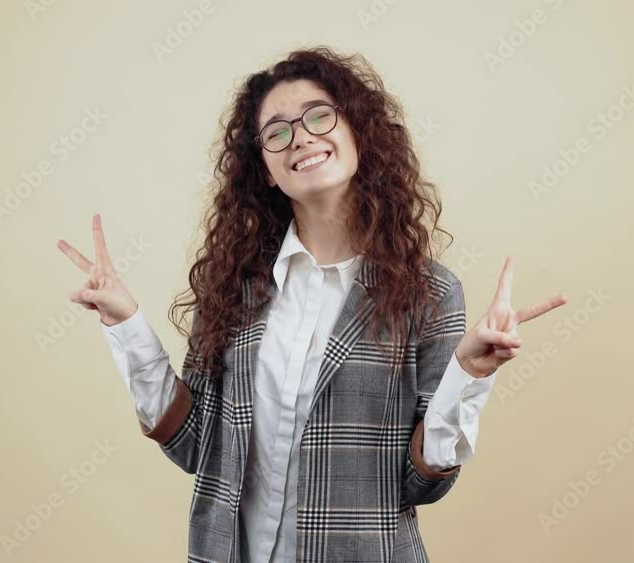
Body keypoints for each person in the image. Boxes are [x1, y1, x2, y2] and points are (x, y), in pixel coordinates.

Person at [57, 46, 567, 563]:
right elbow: (194, 444)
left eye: (320, 116)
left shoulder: (428, 293)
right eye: (277, 131)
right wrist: (127, 324)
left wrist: (469, 375)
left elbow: (422, 484)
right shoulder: (236, 285)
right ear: (268, 172)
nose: (300, 135)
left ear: (358, 134)